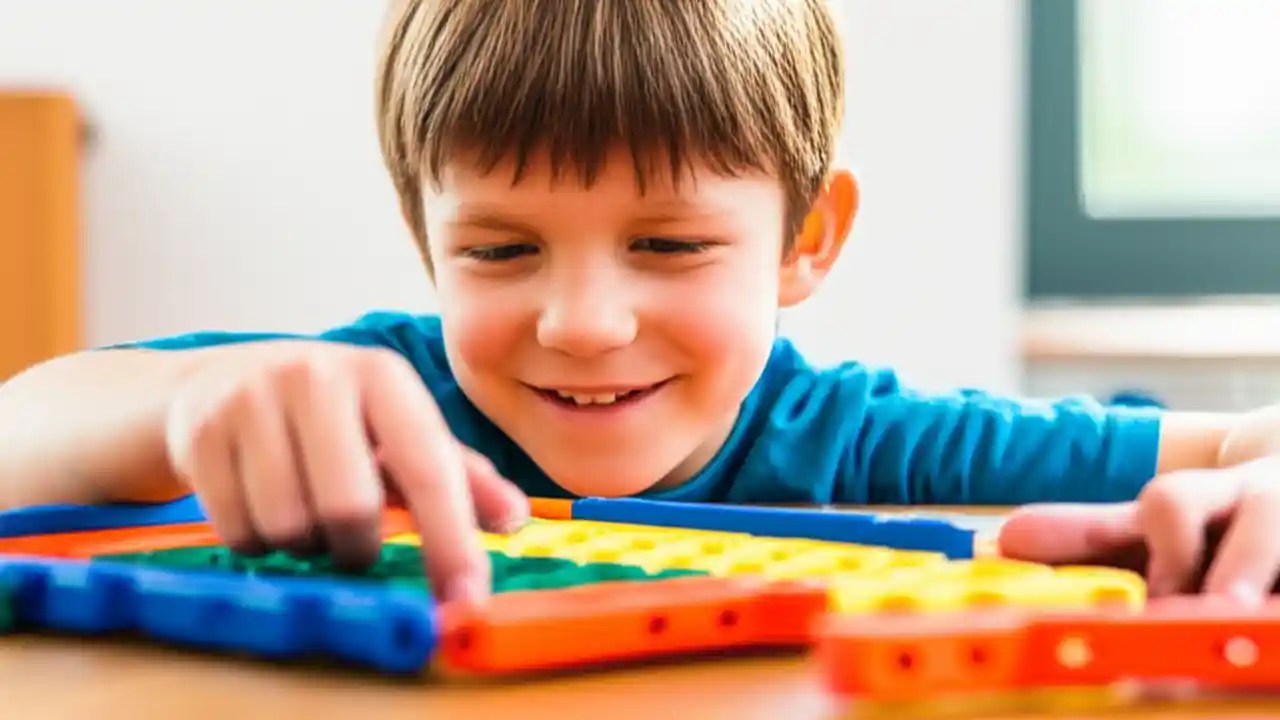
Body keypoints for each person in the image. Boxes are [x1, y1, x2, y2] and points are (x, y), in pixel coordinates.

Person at [1, 0, 1277, 607]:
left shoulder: (858, 441)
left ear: (805, 239)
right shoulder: (372, 411)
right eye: (499, 251)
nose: (583, 322)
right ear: (423, 241)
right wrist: (184, 400)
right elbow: (27, 425)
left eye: (665, 243)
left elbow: (1235, 444)